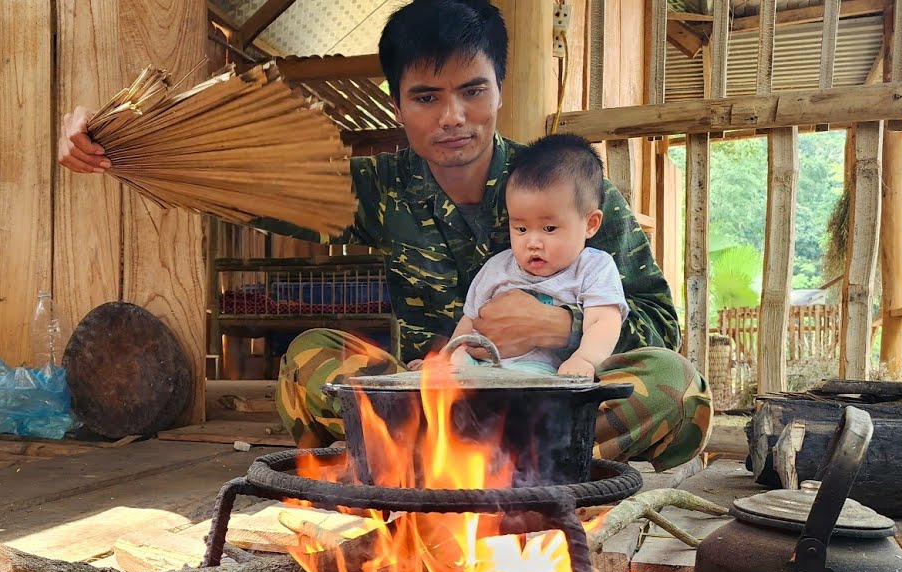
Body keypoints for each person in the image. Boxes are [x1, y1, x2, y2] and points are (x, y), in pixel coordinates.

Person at [57, 0, 712, 471]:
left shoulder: (572, 189)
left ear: (500, 89)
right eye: (426, 97)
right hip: (427, 403)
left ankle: (447, 468)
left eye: (472, 91)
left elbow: (658, 322)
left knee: (678, 389)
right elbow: (249, 182)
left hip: (551, 403)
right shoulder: (377, 186)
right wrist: (115, 144)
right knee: (309, 364)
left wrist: (561, 330)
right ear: (396, 104)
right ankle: (481, 464)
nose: (453, 117)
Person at [449, 133, 624, 378]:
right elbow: (470, 321)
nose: (532, 242)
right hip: (482, 366)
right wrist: (447, 356)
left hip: (542, 372)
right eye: (521, 229)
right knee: (456, 364)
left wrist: (584, 359)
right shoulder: (498, 266)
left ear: (590, 224)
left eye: (549, 229)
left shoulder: (593, 268)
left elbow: (604, 322)